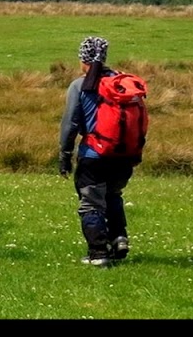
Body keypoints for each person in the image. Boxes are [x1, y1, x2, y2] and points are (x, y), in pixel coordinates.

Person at [59, 36, 139, 266]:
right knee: (113, 196)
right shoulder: (122, 83)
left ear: (83, 59)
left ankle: (98, 254)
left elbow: (70, 125)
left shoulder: (80, 85)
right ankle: (119, 239)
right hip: (123, 156)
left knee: (91, 204)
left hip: (94, 156)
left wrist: (64, 156)